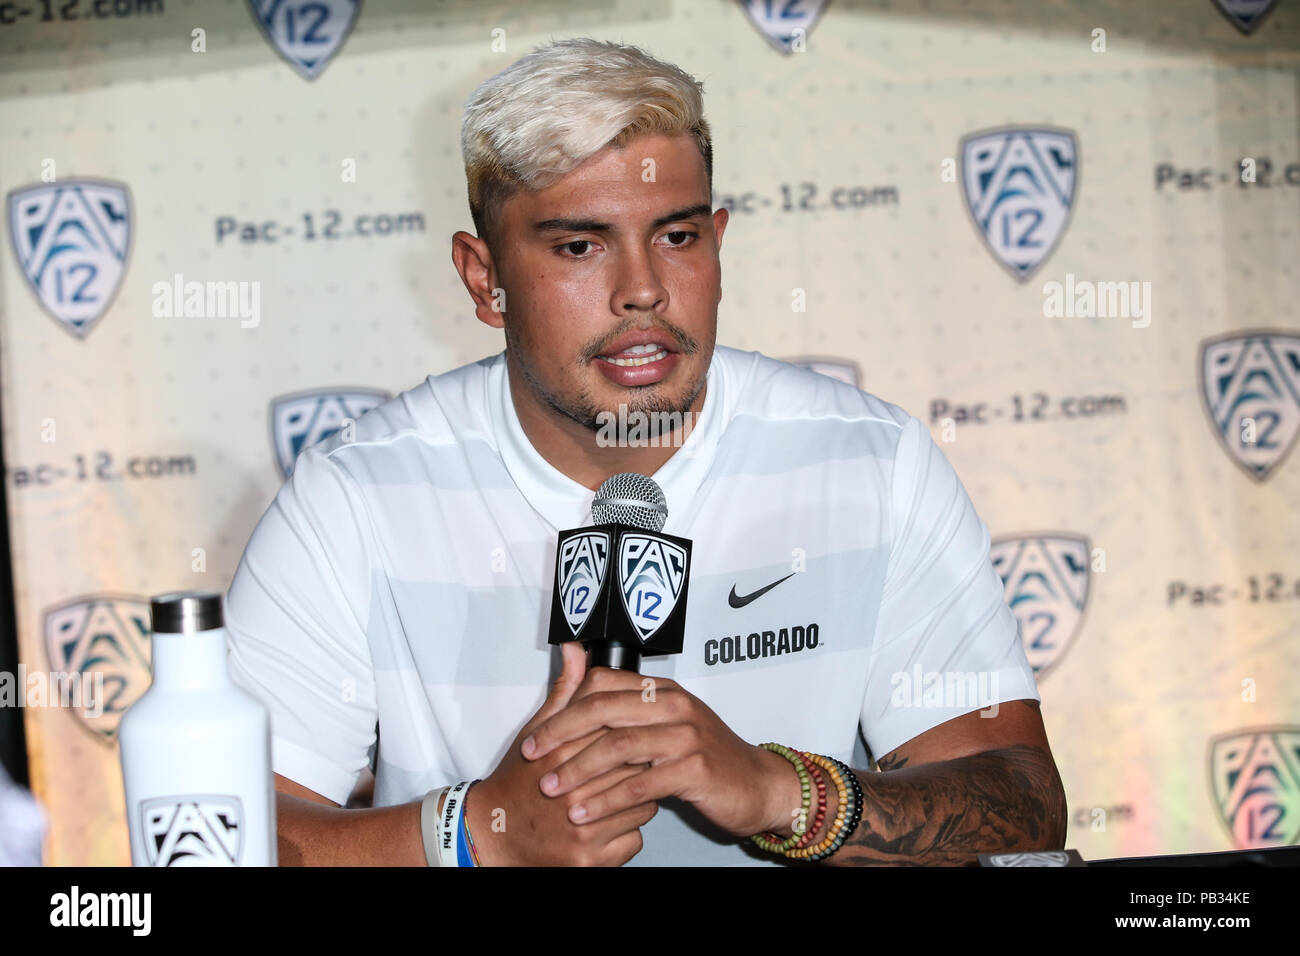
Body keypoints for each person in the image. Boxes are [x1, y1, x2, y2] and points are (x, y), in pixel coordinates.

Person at [225, 37, 1067, 866]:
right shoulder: (356, 498)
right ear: (485, 280)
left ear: (719, 242)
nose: (643, 290)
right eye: (579, 246)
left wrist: (778, 791)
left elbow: (1023, 802)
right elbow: (220, 842)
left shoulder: (871, 464)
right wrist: (478, 832)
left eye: (676, 236)